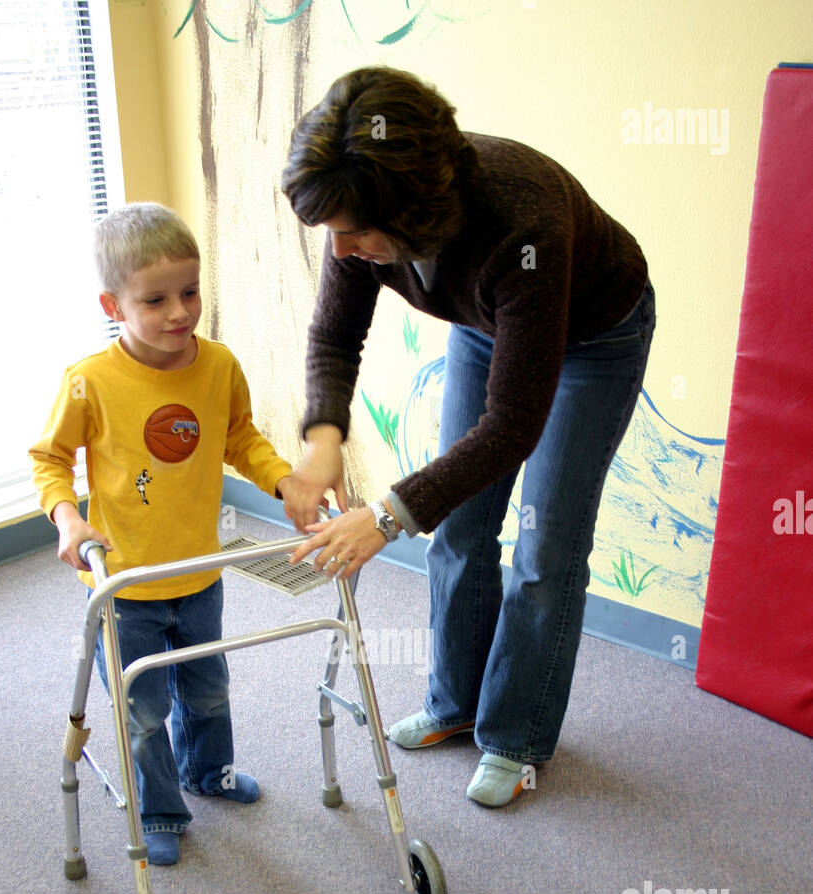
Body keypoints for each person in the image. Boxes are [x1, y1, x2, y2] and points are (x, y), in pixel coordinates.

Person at [281, 67, 656, 806]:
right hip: (491, 326)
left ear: (412, 211)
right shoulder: (354, 210)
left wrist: (386, 516)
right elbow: (333, 336)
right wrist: (323, 434)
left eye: (352, 233)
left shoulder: (526, 225)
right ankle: (456, 705)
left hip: (593, 336)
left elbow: (512, 428)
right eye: (331, 232)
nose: (341, 247)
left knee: (546, 545)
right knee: (456, 524)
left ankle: (515, 735)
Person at [30, 203, 327, 863]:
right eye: (156, 299)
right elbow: (48, 460)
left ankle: (209, 772)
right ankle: (162, 810)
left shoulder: (217, 365)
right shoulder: (89, 382)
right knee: (143, 711)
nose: (179, 312)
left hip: (198, 572)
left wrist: (284, 481)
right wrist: (67, 516)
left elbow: (240, 438)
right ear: (113, 304)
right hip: (124, 582)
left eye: (190, 292)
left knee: (207, 687)